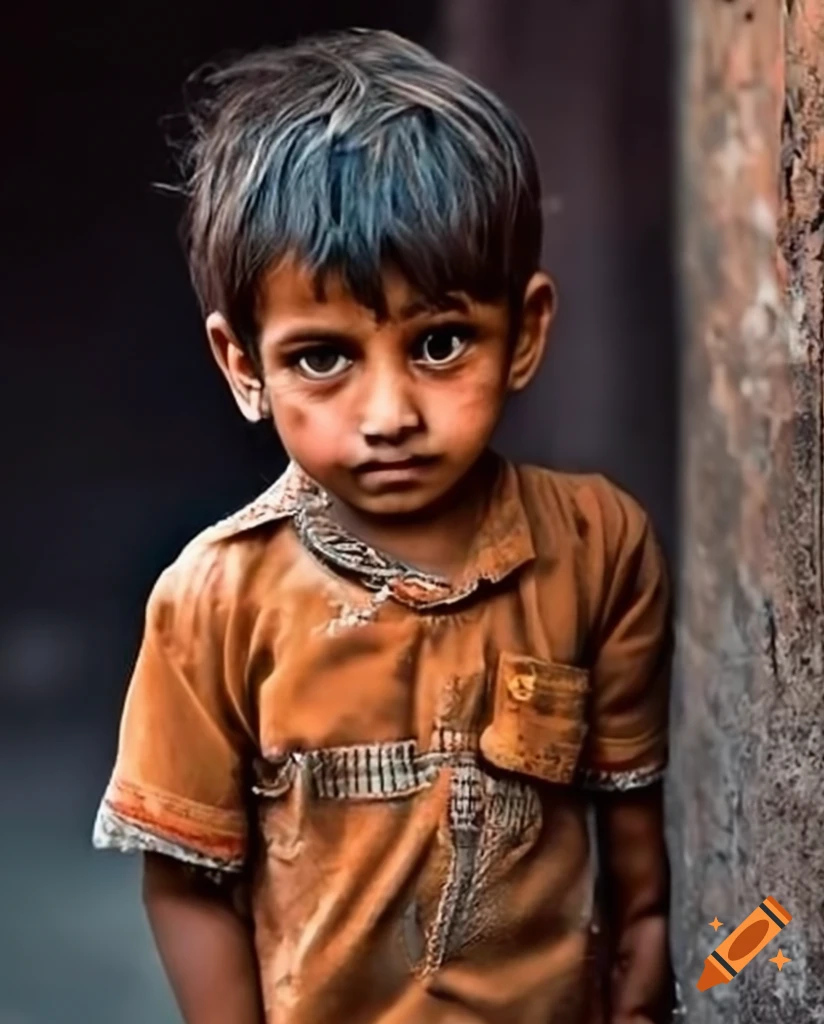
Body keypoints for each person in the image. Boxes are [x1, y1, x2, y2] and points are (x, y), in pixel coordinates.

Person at [93, 27, 674, 1024]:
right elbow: (187, 882)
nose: (388, 414)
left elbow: (626, 810)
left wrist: (647, 944)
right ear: (244, 365)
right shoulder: (215, 600)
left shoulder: (597, 547)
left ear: (524, 331)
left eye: (440, 343)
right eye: (322, 358)